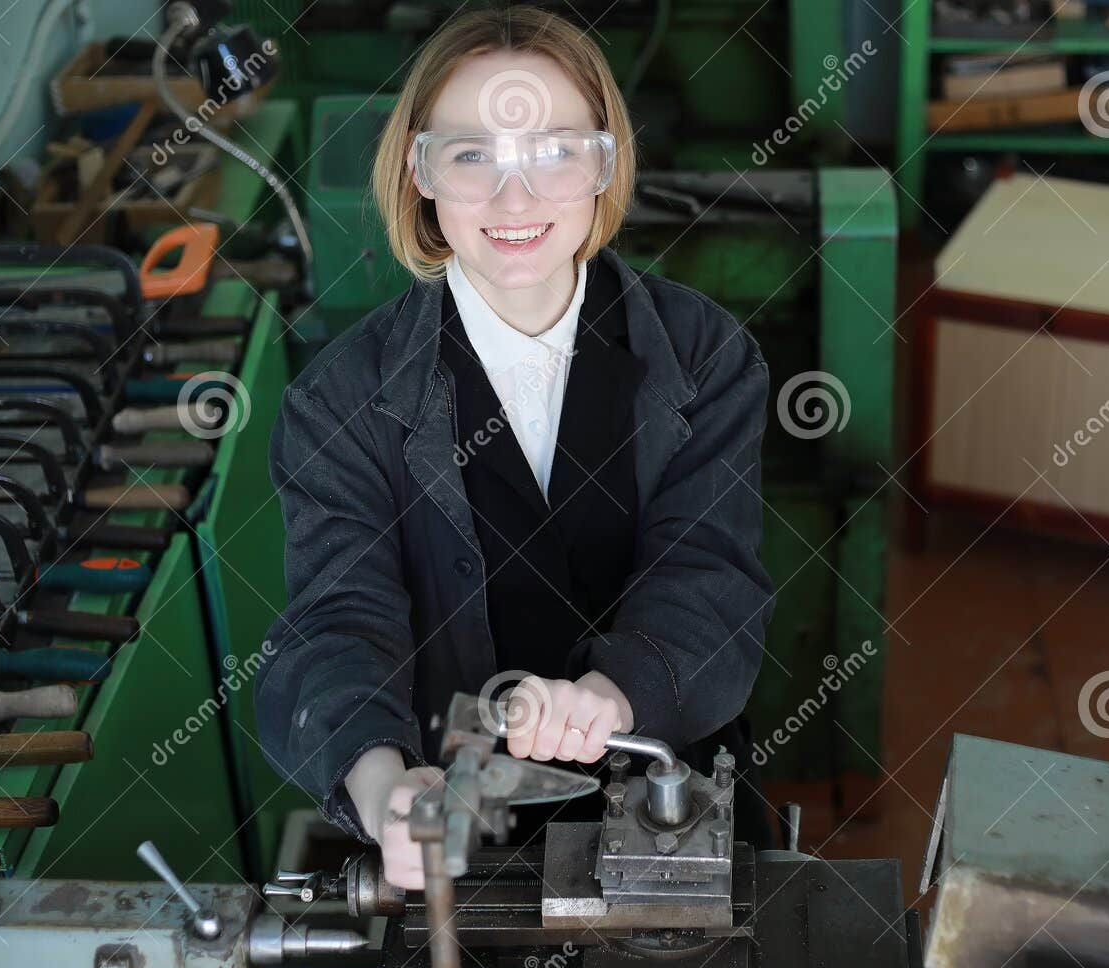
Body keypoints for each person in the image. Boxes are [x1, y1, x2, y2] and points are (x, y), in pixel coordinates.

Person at [255, 5, 774, 889]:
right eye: (471, 157)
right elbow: (337, 624)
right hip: (454, 828)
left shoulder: (701, 355)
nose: (515, 198)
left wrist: (611, 697)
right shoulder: (339, 401)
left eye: (554, 153)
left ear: (603, 164)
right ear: (419, 173)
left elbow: (711, 578)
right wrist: (386, 789)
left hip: (670, 810)